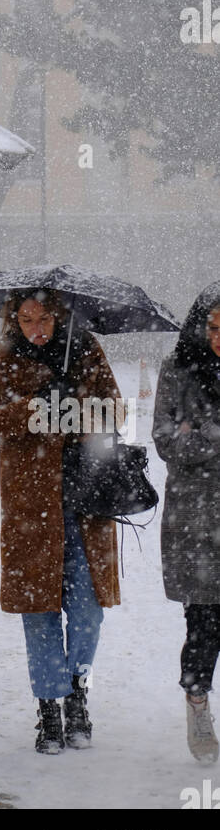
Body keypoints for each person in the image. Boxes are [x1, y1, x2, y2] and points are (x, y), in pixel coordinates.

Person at [0, 288, 121, 754]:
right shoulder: (0, 357)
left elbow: (115, 411)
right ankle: (48, 707)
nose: (36, 329)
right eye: (26, 320)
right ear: (13, 320)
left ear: (59, 319)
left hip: (85, 503)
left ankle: (77, 693)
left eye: (44, 320)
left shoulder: (86, 350)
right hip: (29, 507)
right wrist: (36, 404)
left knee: (87, 612)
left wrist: (75, 404)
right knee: (39, 611)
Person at [152, 280, 220, 763]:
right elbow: (165, 439)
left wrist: (199, 432)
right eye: (214, 327)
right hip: (197, 518)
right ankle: (198, 702)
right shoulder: (178, 369)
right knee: (204, 622)